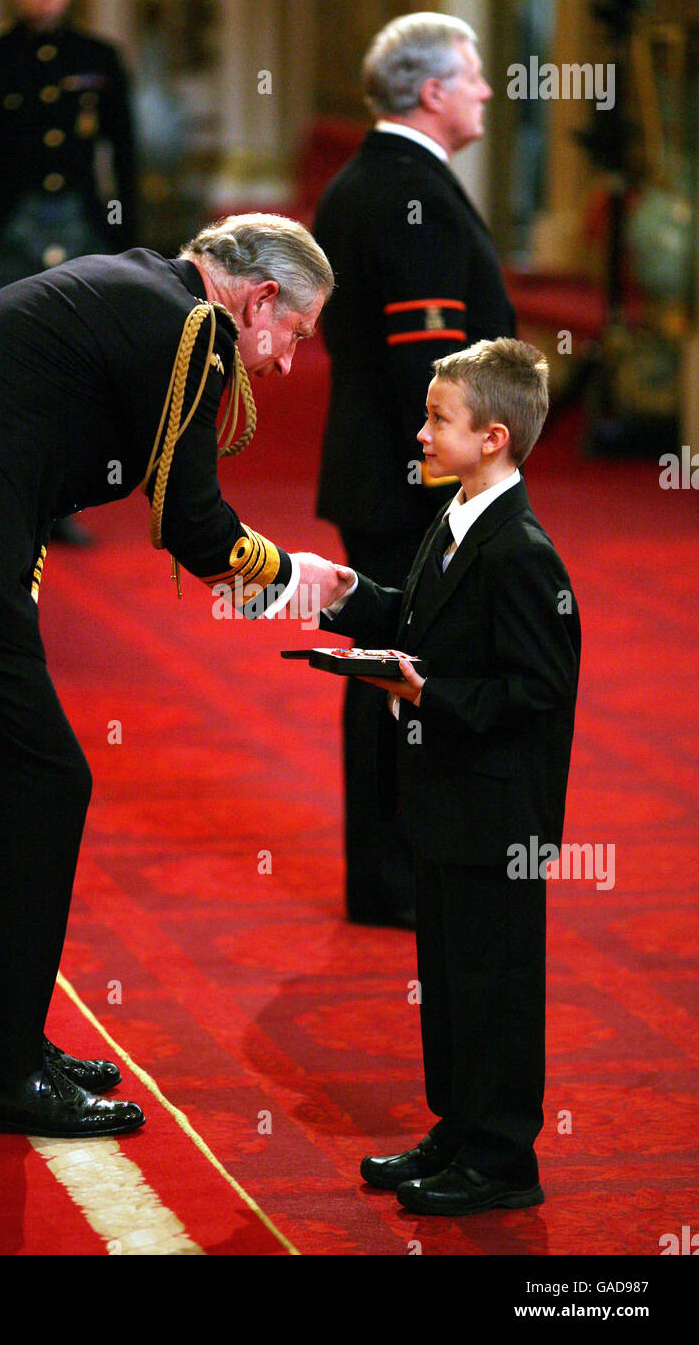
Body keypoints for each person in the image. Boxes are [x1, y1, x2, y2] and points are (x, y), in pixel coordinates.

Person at [0, 214, 351, 1139]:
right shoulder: (194, 327)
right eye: (296, 336)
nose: (282, 364)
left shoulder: (144, 290)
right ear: (260, 299)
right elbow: (195, 525)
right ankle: (2, 1074)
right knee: (41, 782)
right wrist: (287, 573)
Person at [319, 338, 581, 1214]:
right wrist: (344, 590)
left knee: (495, 984)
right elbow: (414, 615)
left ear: (495, 437)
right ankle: (460, 1127)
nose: (421, 433)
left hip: (499, 818)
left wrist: (428, 691)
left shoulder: (523, 552)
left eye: (439, 420)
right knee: (450, 975)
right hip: (446, 803)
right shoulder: (457, 517)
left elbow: (538, 692)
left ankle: (504, 1158)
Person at [313, 13, 516, 928]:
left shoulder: (373, 179)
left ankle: (389, 870)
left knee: (390, 663)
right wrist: (467, 492)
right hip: (412, 486)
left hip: (383, 474)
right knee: (406, 668)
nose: (485, 91)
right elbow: (431, 373)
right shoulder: (414, 194)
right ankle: (398, 876)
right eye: (473, 77)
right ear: (433, 92)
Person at [0, 0, 139, 545]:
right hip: (7, 226)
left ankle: (56, 503)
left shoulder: (100, 60)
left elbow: (123, 159)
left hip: (81, 223)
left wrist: (127, 246)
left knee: (72, 373)